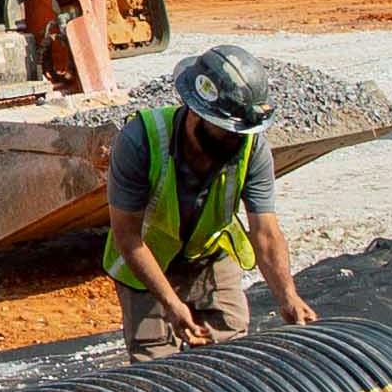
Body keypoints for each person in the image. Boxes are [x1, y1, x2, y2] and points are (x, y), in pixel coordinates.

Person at [105, 44, 314, 359]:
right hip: (146, 259)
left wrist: (288, 296)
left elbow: (266, 233)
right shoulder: (140, 141)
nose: (237, 140)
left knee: (231, 348)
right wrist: (172, 304)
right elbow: (128, 236)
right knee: (158, 361)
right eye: (228, 131)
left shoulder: (249, 146)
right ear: (198, 115)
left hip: (208, 254)